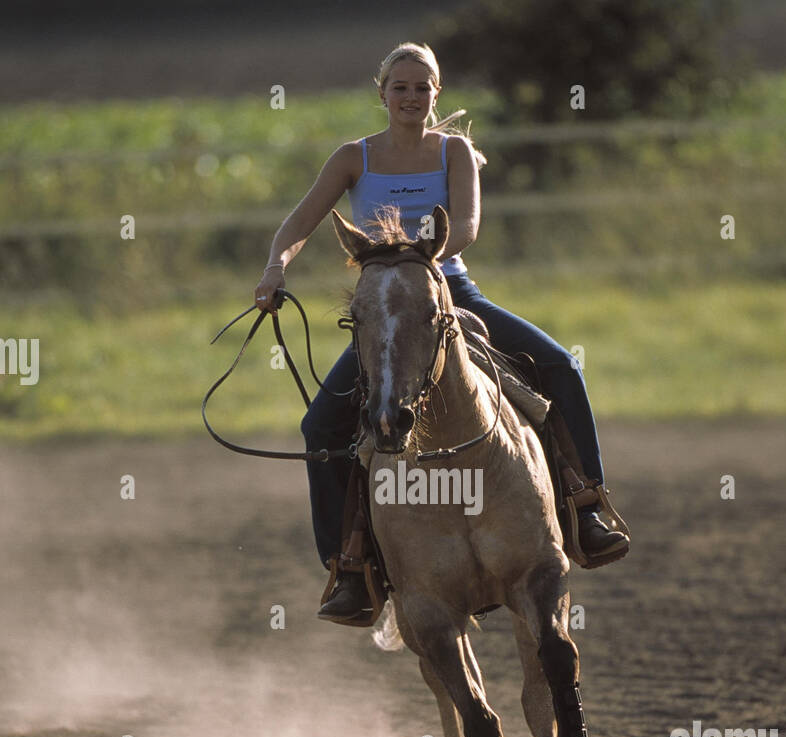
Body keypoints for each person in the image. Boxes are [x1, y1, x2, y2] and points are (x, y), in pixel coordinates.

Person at [253, 42, 629, 621]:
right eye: (400, 87)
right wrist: (276, 267)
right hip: (387, 310)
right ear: (382, 93)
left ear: (437, 93)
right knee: (322, 423)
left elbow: (468, 227)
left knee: (561, 367)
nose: (411, 97)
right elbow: (297, 225)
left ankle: (586, 507)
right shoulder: (353, 158)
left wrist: (416, 265)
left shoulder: (456, 152)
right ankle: (349, 566)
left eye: (421, 87)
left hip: (449, 293)